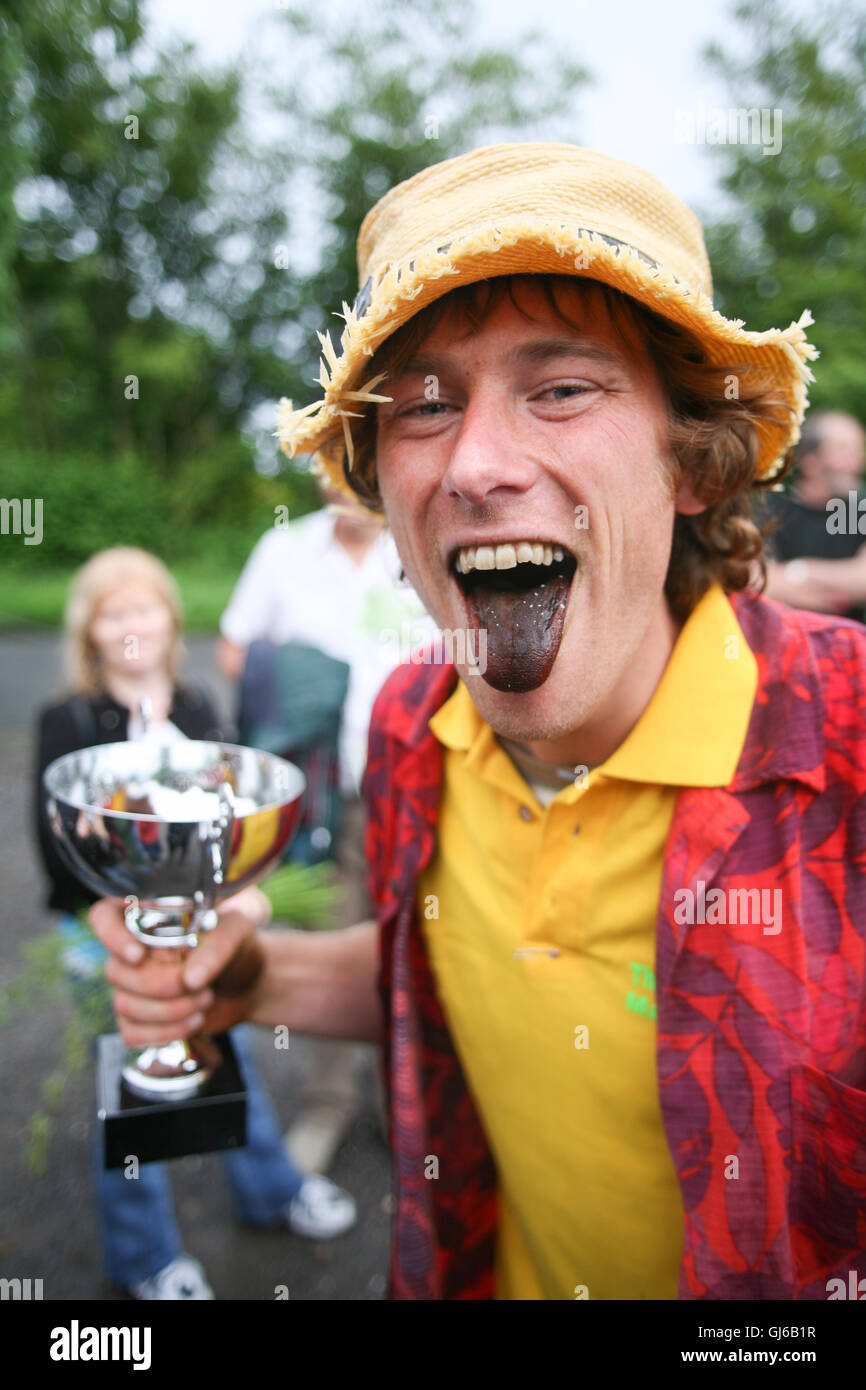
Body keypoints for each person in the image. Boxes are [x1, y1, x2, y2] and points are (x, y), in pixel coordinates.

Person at [88, 145, 866, 1301]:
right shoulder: (412, 723)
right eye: (420, 406)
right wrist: (253, 976)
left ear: (688, 461)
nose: (475, 462)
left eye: (559, 388)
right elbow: (457, 973)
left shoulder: (841, 739)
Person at [33, 547, 356, 1301]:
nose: (131, 624)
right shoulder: (70, 718)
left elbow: (229, 818)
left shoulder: (196, 704)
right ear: (90, 630)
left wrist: (234, 900)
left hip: (199, 921)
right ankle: (145, 1256)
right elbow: (52, 842)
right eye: (114, 612)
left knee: (225, 1050)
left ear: (170, 620)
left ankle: (272, 1190)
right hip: (100, 930)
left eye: (144, 607)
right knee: (132, 1085)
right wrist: (120, 922)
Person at [217, 483, 436, 1172]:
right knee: (337, 936)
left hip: (419, 786)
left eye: (357, 462)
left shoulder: (422, 543)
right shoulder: (284, 551)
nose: (345, 482)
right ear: (319, 473)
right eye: (330, 465)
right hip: (328, 795)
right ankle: (327, 1106)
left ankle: (401, 1106)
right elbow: (232, 650)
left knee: (417, 941)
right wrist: (303, 678)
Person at [761, 409, 866, 620]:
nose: (855, 462)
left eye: (858, 450)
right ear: (810, 461)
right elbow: (756, 581)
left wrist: (795, 571)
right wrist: (843, 585)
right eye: (842, 449)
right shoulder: (770, 510)